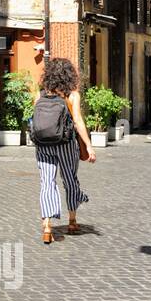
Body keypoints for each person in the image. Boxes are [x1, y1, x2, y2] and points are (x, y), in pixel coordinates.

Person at [32, 57, 94, 245]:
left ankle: (47, 225)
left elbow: (36, 119)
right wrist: (89, 145)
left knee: (47, 182)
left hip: (42, 144)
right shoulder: (72, 95)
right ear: (69, 75)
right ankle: (72, 220)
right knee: (69, 180)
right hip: (65, 144)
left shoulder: (41, 94)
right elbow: (78, 122)